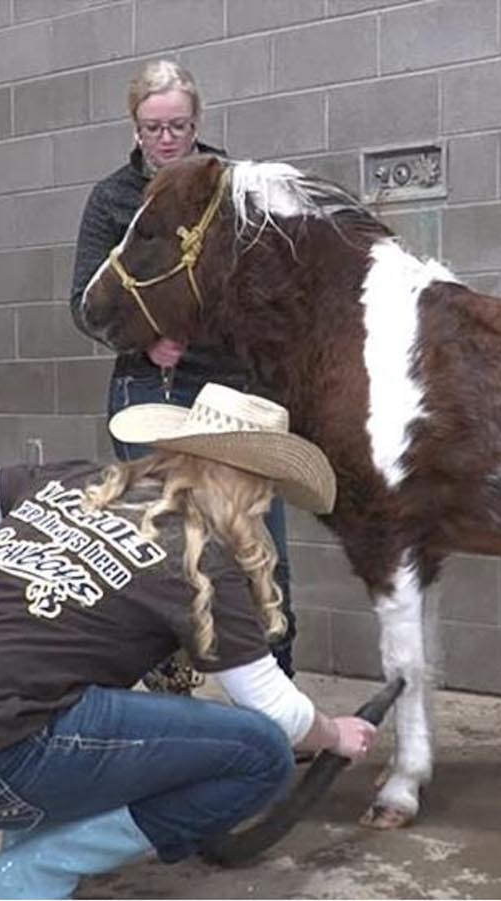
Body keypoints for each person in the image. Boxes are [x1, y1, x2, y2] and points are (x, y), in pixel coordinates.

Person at [0, 383, 377, 900]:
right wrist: (334, 735)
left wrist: (28, 585)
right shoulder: (200, 558)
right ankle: (32, 876)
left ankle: (33, 819)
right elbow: (277, 715)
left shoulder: (79, 480)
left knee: (71, 708)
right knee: (262, 755)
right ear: (253, 488)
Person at [69, 59, 299, 691]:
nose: (166, 139)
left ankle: (279, 685)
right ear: (134, 126)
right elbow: (84, 304)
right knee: (157, 542)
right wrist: (144, 342)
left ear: (197, 122)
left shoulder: (235, 188)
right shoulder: (112, 198)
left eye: (178, 126)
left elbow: (272, 286)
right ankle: (166, 678)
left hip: (232, 391)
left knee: (256, 541)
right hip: (150, 387)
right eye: (152, 128)